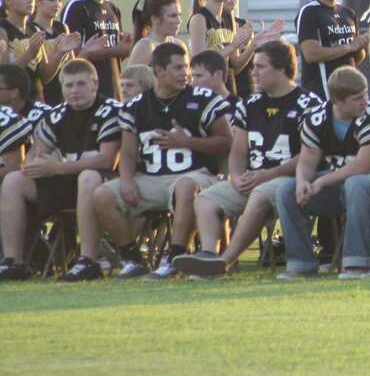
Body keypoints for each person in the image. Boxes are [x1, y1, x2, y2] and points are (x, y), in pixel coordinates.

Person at [174, 42, 322, 279]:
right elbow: (238, 150)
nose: (253, 73)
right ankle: (209, 255)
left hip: (288, 179)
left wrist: (266, 175)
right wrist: (237, 176)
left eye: (260, 67)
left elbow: (309, 156)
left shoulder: (308, 103)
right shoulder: (250, 104)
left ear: (282, 70)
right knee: (205, 200)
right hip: (252, 179)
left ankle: (225, 262)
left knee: (260, 194)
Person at [92, 42, 233, 279]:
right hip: (151, 177)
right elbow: (127, 153)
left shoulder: (203, 99)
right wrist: (126, 180)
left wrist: (187, 143)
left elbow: (226, 142)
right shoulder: (137, 106)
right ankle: (132, 259)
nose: (185, 73)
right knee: (102, 195)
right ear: (158, 71)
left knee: (185, 186)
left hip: (197, 174)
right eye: (178, 68)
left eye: (187, 67)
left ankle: (174, 257)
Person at [0, 59, 121, 281]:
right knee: (14, 180)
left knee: (88, 176)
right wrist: (39, 163)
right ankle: (13, 261)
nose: (74, 90)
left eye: (81, 84)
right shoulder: (57, 114)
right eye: (69, 85)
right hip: (67, 180)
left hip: (105, 184)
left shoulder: (110, 110)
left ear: (95, 85)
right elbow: (34, 157)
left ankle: (87, 260)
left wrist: (56, 166)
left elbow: (107, 161)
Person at [274, 65, 370, 280]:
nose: (365, 102)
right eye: (357, 98)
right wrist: (303, 181)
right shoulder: (317, 118)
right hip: (339, 183)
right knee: (287, 190)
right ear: (337, 101)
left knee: (356, 183)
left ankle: (357, 263)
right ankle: (301, 263)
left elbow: (363, 166)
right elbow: (307, 160)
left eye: (365, 94)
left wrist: (320, 183)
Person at [63, 0, 132, 101]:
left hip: (114, 94)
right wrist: (114, 51)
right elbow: (71, 59)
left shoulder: (113, 8)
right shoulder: (77, 7)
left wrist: (127, 47)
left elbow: (116, 54)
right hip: (87, 97)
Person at [295, 0, 369, 100]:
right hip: (322, 95)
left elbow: (356, 57)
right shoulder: (309, 12)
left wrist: (362, 46)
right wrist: (348, 47)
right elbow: (311, 54)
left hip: (350, 94)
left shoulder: (348, 13)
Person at [0, 64, 53, 259]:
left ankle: (18, 253)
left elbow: (16, 165)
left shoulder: (44, 116)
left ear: (13, 93)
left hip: (41, 180)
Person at [2, 0, 76, 103]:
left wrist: (59, 52)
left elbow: (45, 75)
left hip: (36, 99)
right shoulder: (3, 28)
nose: (30, 0)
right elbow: (4, 75)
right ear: (8, 1)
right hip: (14, 103)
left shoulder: (34, 30)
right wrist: (30, 52)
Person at [188, 0, 253, 97]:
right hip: (207, 89)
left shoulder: (229, 18)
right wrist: (233, 45)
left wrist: (253, 46)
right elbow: (199, 62)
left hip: (228, 86)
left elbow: (235, 65)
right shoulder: (199, 18)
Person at [32, 0, 72, 106]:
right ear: (38, 1)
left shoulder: (62, 27)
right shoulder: (31, 28)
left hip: (62, 88)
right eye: (52, 0)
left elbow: (70, 61)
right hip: (43, 89)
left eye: (60, 0)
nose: (57, 4)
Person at [128, 0, 186, 67]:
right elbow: (131, 77)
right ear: (155, 19)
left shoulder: (179, 44)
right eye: (173, 16)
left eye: (179, 15)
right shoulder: (145, 47)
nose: (179, 21)